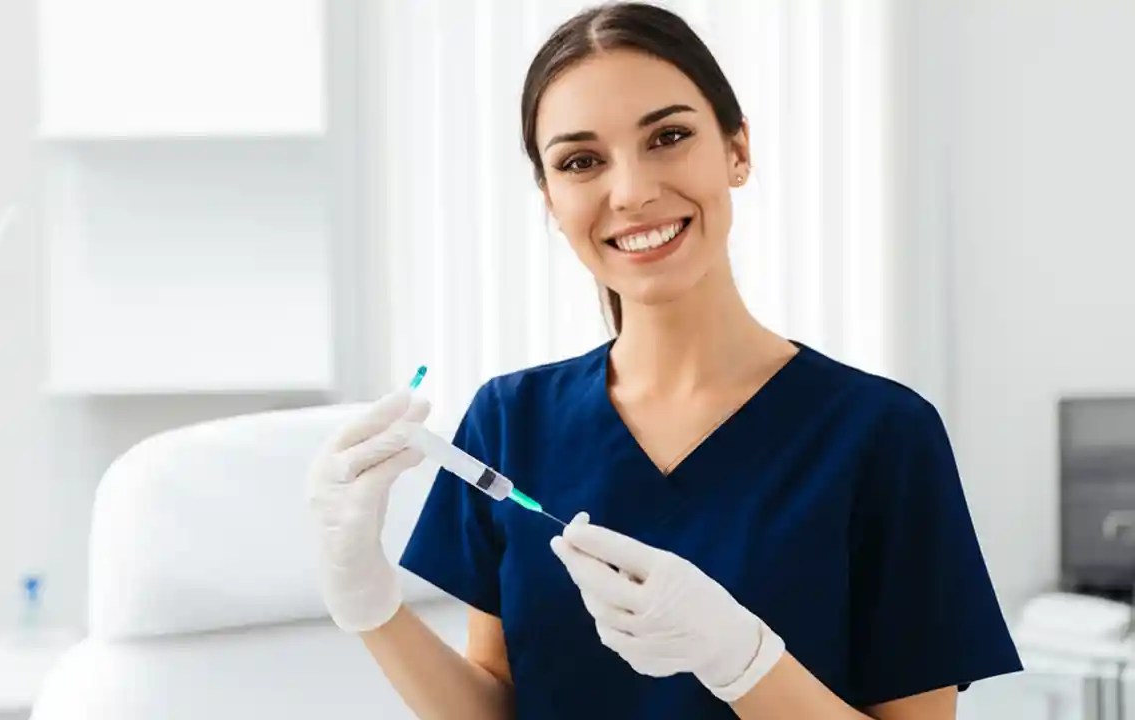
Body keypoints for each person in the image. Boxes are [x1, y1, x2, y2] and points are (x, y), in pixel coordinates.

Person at [306, 3, 1022, 718]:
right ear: (551, 199)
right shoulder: (509, 422)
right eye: (581, 162)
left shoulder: (882, 435)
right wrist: (370, 605)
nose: (633, 192)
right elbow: (494, 709)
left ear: (737, 150)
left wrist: (743, 661)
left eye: (669, 136)